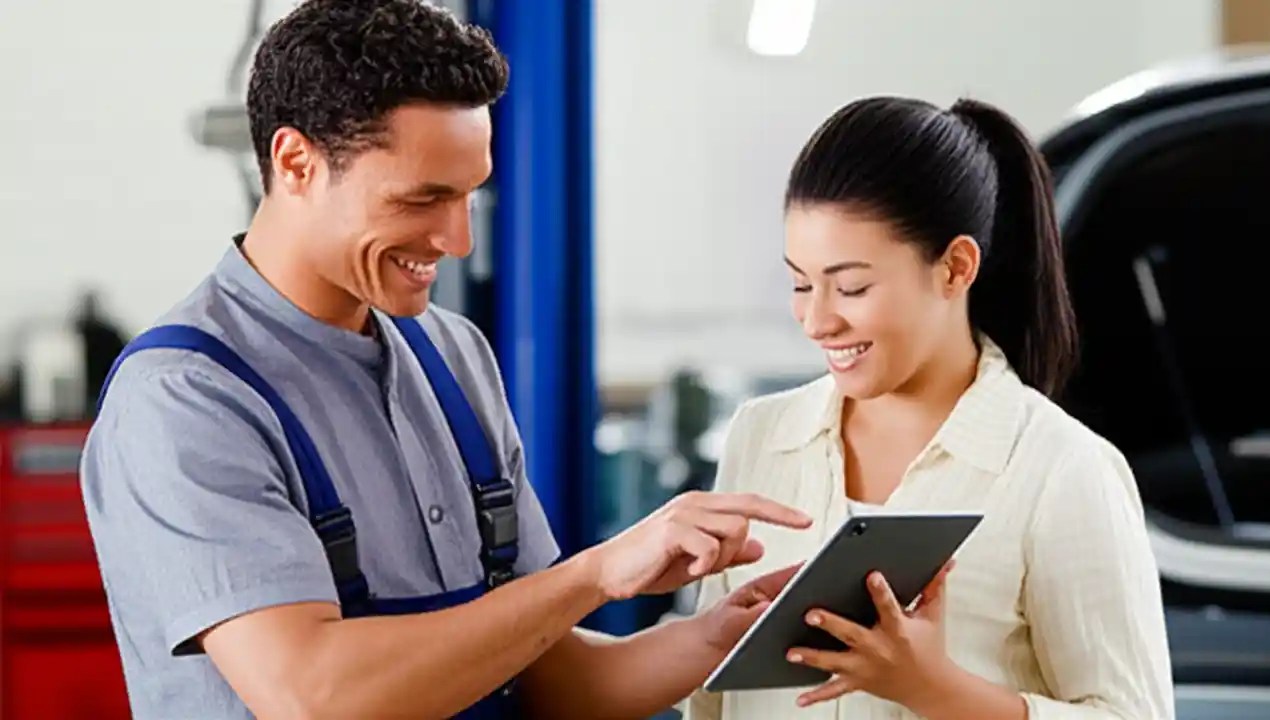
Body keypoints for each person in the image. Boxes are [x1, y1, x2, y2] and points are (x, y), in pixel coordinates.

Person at [78, 2, 813, 718]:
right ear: (296, 162)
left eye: (468, 196)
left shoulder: (452, 355)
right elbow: (316, 696)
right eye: (422, 199)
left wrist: (720, 637)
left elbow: (545, 679)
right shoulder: (184, 399)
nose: (456, 240)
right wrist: (594, 575)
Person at [680, 96, 1176, 719]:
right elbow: (711, 701)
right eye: (801, 284)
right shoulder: (762, 436)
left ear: (956, 267)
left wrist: (935, 690)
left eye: (853, 286)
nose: (817, 319)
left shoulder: (1062, 467)